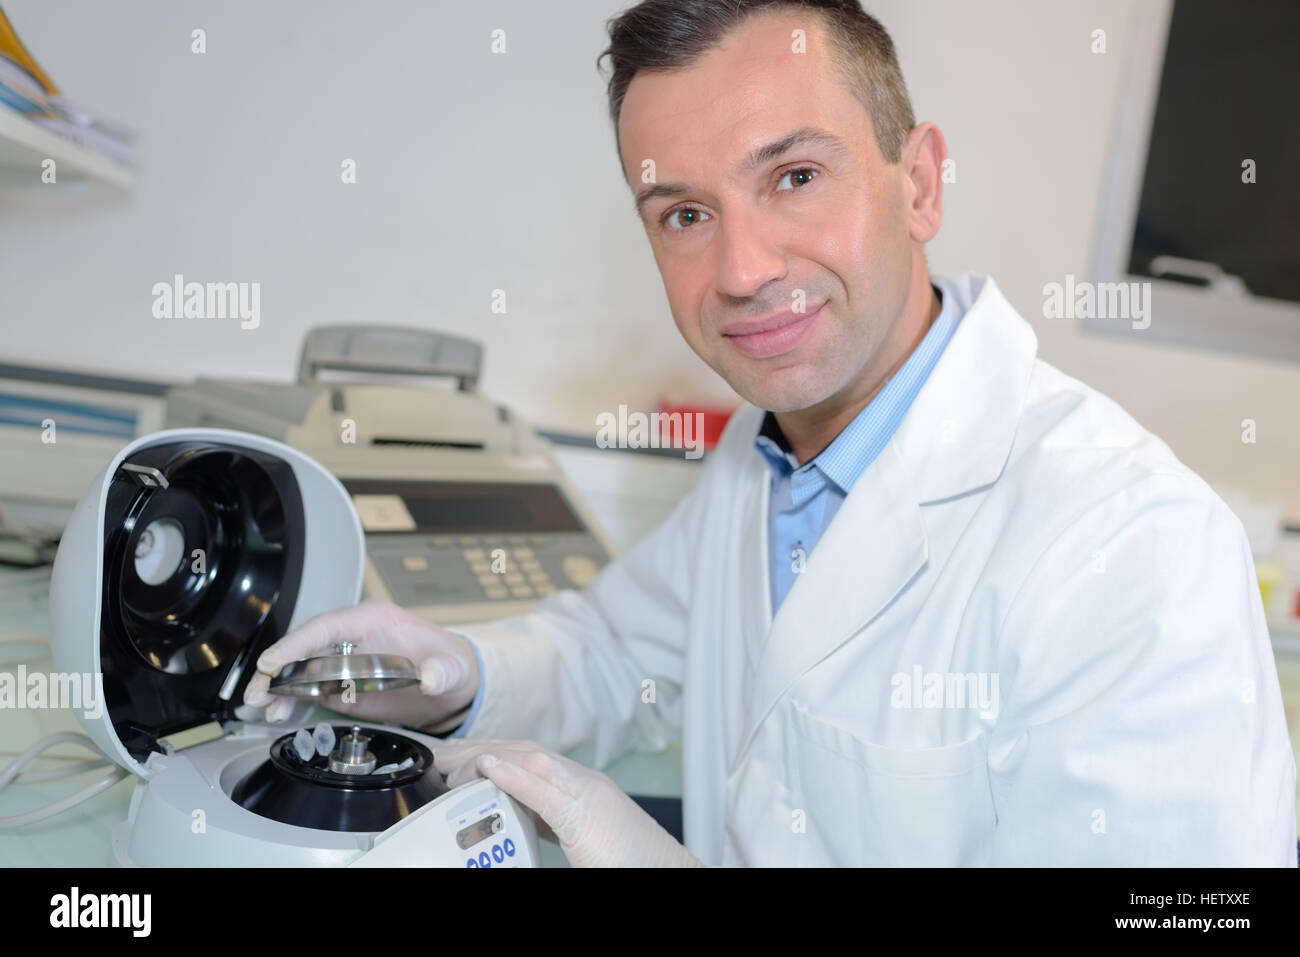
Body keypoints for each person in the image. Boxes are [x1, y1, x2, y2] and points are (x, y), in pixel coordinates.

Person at [245, 0, 1297, 866]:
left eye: (794, 177)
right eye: (684, 214)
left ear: (919, 182)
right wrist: (458, 671)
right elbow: (619, 653)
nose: (742, 270)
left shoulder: (1127, 539)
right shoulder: (766, 455)